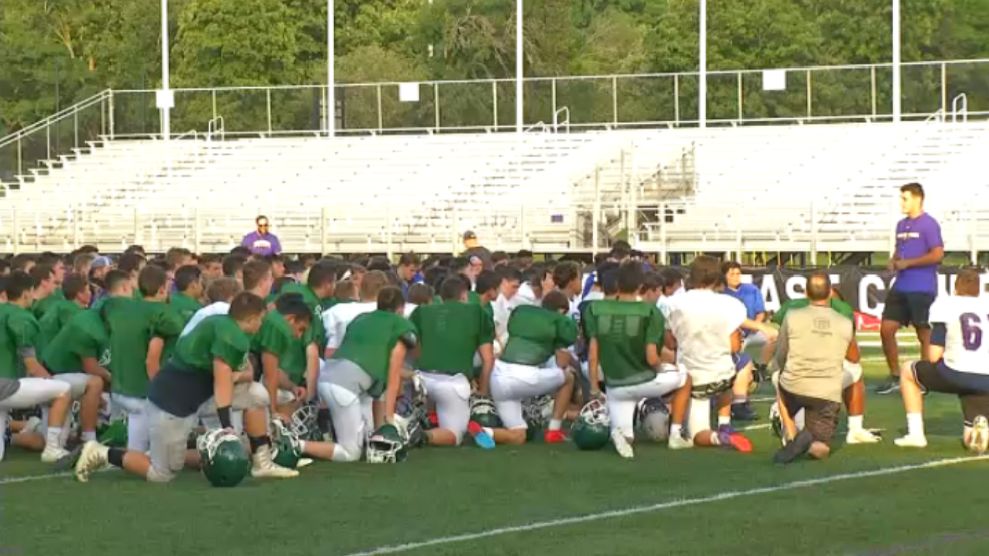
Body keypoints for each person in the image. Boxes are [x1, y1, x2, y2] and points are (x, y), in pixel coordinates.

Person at [74, 292, 298, 482]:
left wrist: (238, 376)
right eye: (261, 319)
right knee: (161, 473)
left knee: (257, 395)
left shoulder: (222, 323)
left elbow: (236, 375)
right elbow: (222, 382)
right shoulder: (231, 336)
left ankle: (262, 462)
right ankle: (101, 452)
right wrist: (227, 426)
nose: (262, 324)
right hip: (173, 404)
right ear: (252, 318)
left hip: (199, 396)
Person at [585, 261, 688, 459]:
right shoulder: (650, 312)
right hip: (644, 380)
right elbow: (651, 357)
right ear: (641, 286)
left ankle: (621, 433)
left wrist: (593, 387)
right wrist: (662, 368)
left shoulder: (595, 309)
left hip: (615, 385)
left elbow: (592, 355)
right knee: (685, 376)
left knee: (627, 437)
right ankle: (675, 434)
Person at [767, 285, 880, 445]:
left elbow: (777, 351)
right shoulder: (840, 319)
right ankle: (854, 429)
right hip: (815, 379)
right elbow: (854, 358)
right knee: (855, 371)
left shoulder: (793, 314)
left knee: (809, 434)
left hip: (790, 378)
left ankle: (786, 415)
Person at [317, 287, 418, 462]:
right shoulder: (401, 325)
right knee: (351, 453)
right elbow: (393, 375)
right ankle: (297, 445)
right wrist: (389, 419)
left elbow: (379, 375)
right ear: (401, 308)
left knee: (371, 437)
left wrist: (382, 426)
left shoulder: (361, 319)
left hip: (329, 374)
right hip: (345, 386)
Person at [895, 268, 989, 453]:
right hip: (987, 377)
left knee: (908, 371)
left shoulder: (946, 305)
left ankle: (916, 434)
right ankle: (979, 429)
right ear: (978, 289)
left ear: (955, 287)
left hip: (956, 373)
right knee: (970, 441)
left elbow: (934, 355)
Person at [666, 255, 754, 453]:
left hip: (689, 378)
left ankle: (717, 437)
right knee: (729, 366)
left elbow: (669, 343)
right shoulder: (729, 304)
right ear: (716, 278)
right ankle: (724, 422)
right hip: (721, 377)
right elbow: (734, 347)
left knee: (698, 433)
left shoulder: (673, 303)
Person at [771, 272, 859, 464]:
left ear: (806, 293)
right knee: (821, 449)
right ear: (830, 293)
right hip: (827, 392)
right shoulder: (845, 322)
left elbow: (781, 353)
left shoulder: (792, 316)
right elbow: (854, 357)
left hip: (794, 385)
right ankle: (810, 439)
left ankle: (791, 433)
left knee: (779, 379)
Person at [103, 266, 185, 452]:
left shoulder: (123, 308)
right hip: (144, 390)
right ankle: (104, 455)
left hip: (120, 388)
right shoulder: (163, 314)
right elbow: (152, 359)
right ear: (162, 288)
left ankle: (121, 457)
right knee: (164, 453)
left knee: (137, 449)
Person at [409, 277, 496, 449]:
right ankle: (420, 435)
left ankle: (428, 416)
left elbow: (415, 349)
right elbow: (488, 359)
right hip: (451, 383)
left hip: (420, 380)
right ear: (464, 295)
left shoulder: (421, 312)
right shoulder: (477, 312)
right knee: (456, 435)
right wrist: (483, 394)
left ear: (440, 297)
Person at [0, 271, 74, 463]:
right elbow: (32, 366)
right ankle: (53, 448)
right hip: (4, 386)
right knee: (63, 389)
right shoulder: (21, 317)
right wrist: (50, 379)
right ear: (26, 293)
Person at [486, 291, 578, 445]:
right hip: (523, 377)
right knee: (568, 378)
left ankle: (484, 431)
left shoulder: (522, 313)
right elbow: (562, 364)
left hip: (498, 376)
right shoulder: (558, 322)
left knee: (518, 435)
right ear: (561, 311)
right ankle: (553, 431)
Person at [877, 183, 943, 395]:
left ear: (917, 199)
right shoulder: (901, 225)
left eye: (905, 198)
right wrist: (893, 260)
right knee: (886, 329)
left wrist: (909, 263)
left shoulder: (929, 224)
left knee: (923, 332)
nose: (901, 203)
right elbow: (899, 250)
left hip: (922, 286)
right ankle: (895, 375)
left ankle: (925, 378)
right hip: (902, 285)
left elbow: (937, 254)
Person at [323, 271, 389, 359]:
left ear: (360, 288)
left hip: (338, 365)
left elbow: (328, 349)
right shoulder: (389, 313)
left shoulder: (336, 311)